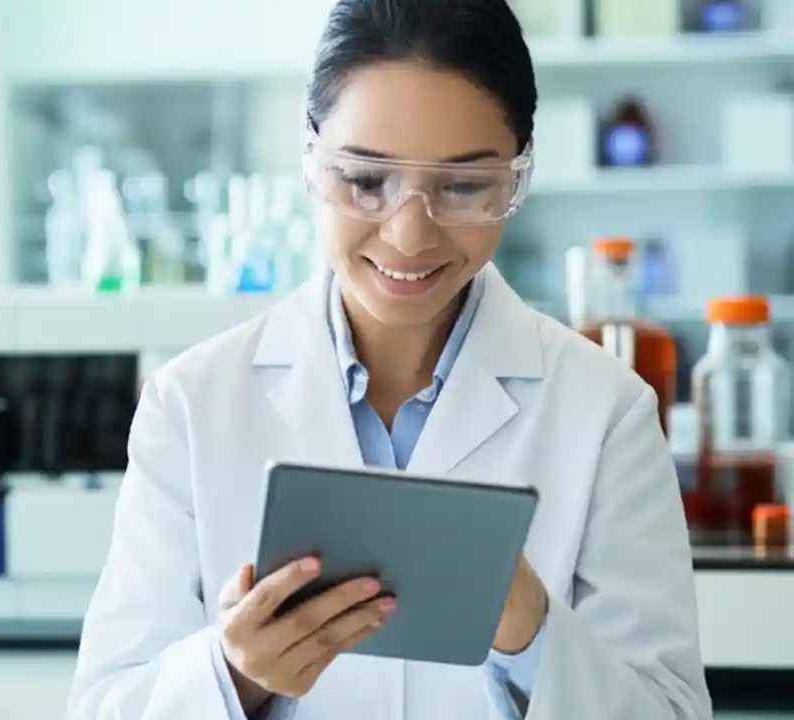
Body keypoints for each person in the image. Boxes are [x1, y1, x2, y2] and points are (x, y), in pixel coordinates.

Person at [67, 0, 712, 717]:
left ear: (517, 178)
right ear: (310, 160)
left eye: (464, 186)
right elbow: (106, 704)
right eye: (366, 181)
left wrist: (530, 629)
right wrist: (233, 672)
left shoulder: (606, 414)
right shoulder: (191, 404)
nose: (409, 235)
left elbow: (672, 711)